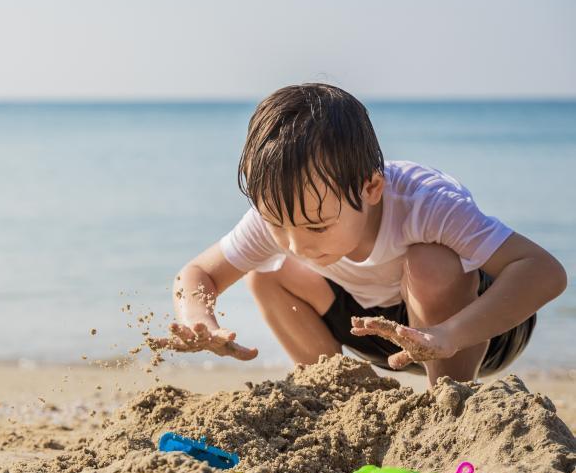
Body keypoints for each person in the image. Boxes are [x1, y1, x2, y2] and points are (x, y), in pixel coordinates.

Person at [150, 83, 567, 385]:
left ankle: (450, 400)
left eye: (316, 226)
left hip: (478, 329)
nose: (298, 245)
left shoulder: (426, 203)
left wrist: (449, 335)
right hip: (378, 333)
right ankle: (335, 393)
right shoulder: (287, 209)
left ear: (371, 188)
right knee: (268, 272)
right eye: (278, 223)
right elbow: (197, 274)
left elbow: (544, 271)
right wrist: (199, 322)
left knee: (430, 262)